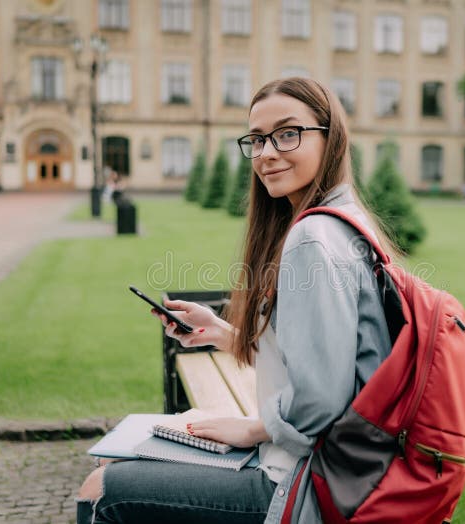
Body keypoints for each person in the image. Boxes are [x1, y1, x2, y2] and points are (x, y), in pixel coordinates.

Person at [76, 77, 397, 524]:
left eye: (288, 134)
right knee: (117, 464)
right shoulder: (345, 220)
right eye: (258, 139)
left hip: (303, 484)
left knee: (101, 490)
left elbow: (322, 398)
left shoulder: (313, 238)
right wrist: (225, 334)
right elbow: (325, 356)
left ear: (331, 138)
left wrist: (253, 429)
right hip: (331, 467)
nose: (267, 153)